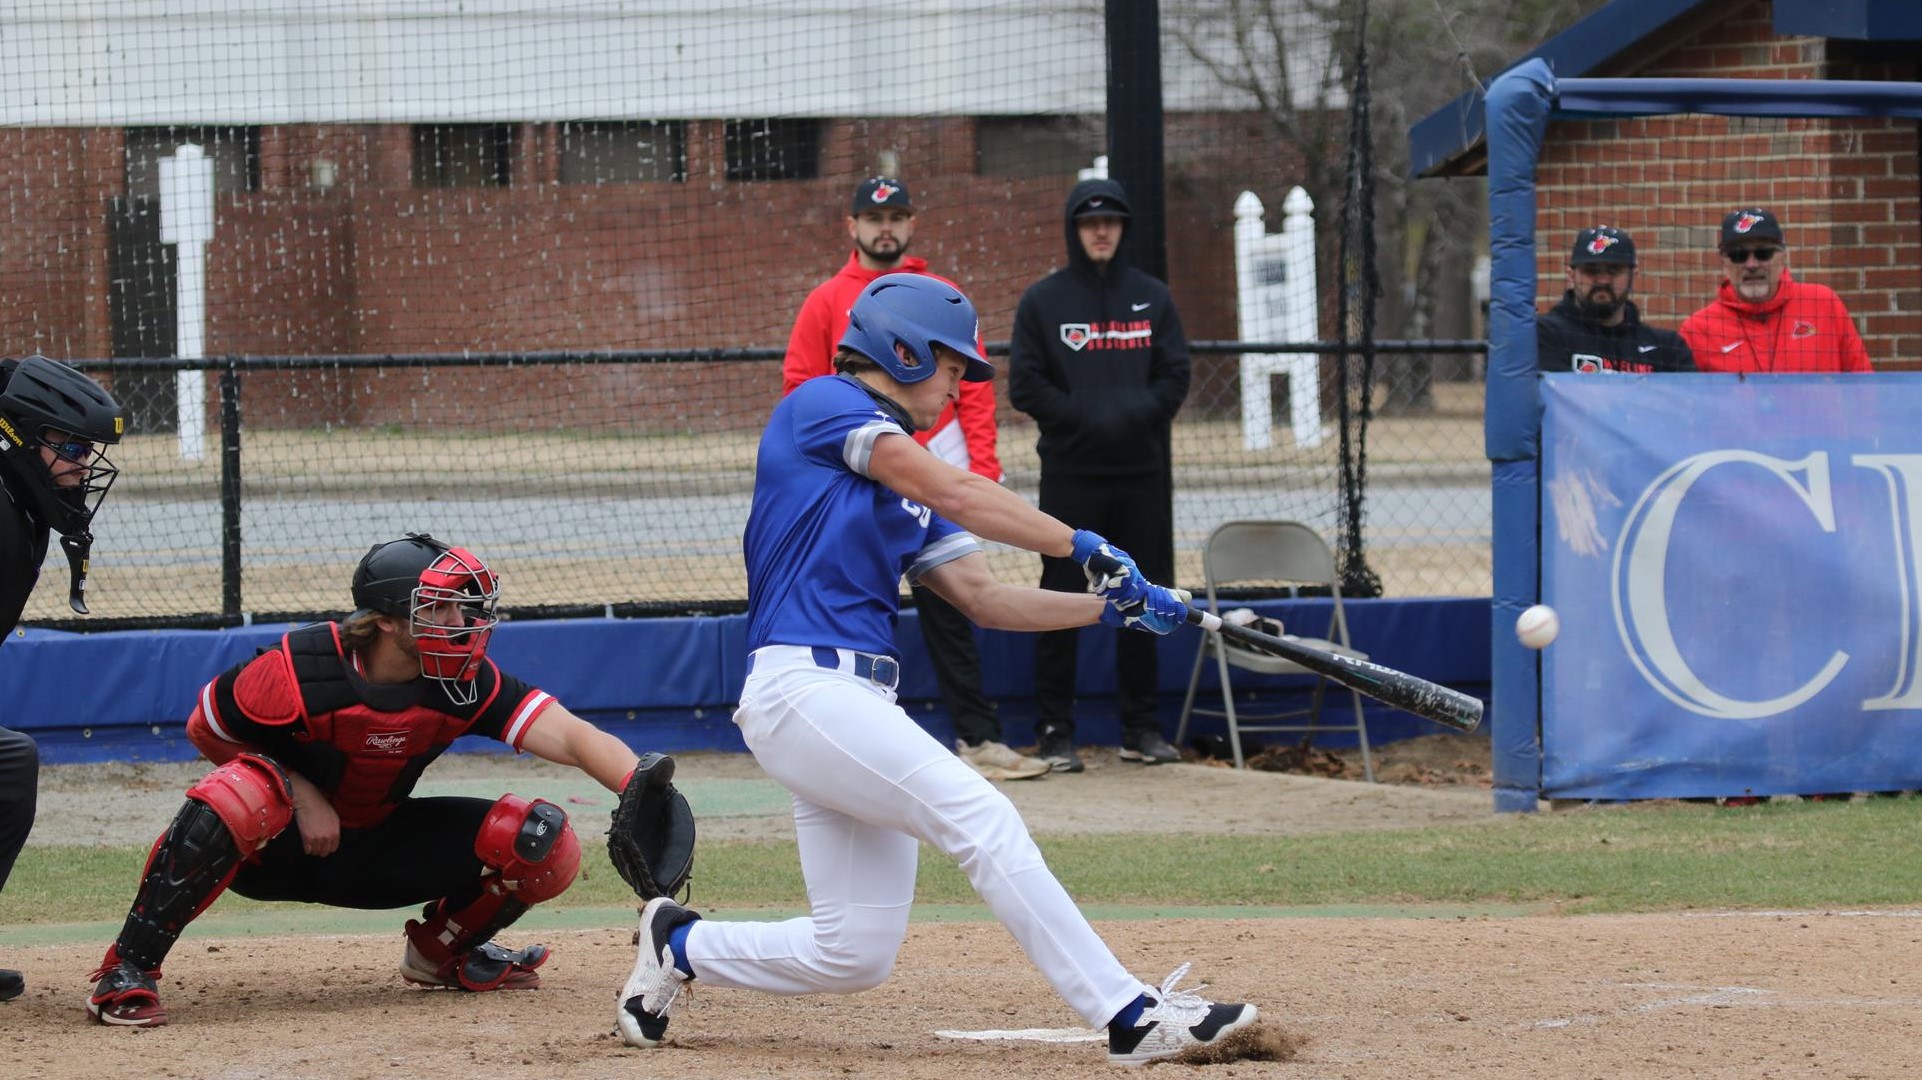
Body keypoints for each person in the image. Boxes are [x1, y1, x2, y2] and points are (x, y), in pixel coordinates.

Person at [615, 274, 1257, 1065]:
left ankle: (680, 945)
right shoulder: (822, 407)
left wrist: (1112, 609)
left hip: (853, 709)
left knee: (853, 951)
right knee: (981, 817)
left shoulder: (905, 486)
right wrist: (1083, 546)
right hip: (800, 688)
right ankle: (1129, 1015)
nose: (960, 386)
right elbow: (952, 485)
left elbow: (986, 599)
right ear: (903, 349)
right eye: (954, 367)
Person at [85, 533, 654, 1027]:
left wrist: (643, 789)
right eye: (440, 609)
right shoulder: (300, 668)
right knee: (241, 790)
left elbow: (575, 737)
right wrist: (301, 795)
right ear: (384, 620)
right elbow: (206, 729)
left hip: (374, 850)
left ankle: (440, 953)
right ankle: (127, 968)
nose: (461, 624)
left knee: (541, 840)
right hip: (275, 851)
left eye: (462, 607)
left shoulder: (462, 679)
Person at [784, 176, 1045, 783]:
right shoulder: (827, 300)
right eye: (874, 217)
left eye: (898, 215)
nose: (886, 227)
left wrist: (981, 466)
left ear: (912, 224)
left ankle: (978, 737)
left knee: (958, 599)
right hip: (861, 464)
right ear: (851, 227)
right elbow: (801, 384)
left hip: (941, 456)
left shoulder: (942, 296)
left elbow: (973, 393)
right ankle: (841, 732)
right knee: (853, 587)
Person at [1007, 177, 1191, 772]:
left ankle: (1141, 729)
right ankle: (1056, 731)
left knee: (1145, 592)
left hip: (1142, 476)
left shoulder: (1153, 297)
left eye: (1111, 221)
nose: (1101, 231)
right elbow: (1026, 385)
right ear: (1074, 230)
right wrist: (1087, 417)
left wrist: (1130, 414)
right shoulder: (1043, 302)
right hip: (1070, 479)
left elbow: (1174, 377)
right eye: (1090, 223)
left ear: (1124, 228)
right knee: (1061, 594)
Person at [0, 356, 125, 1005]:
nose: (84, 462)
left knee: (8, 764)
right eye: (71, 446)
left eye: (89, 448)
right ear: (18, 434)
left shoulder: (20, 506)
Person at [1679, 207, 1872, 373]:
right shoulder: (1698, 330)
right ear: (1724, 263)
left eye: (1763, 253)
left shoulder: (1822, 304)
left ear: (1782, 257)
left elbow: (1864, 387)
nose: (1752, 264)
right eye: (1739, 255)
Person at [1537, 226, 1695, 373]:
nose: (1603, 281)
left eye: (1614, 270)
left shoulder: (1668, 347)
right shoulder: (1545, 335)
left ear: (1634, 275)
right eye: (1591, 271)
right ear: (1571, 276)